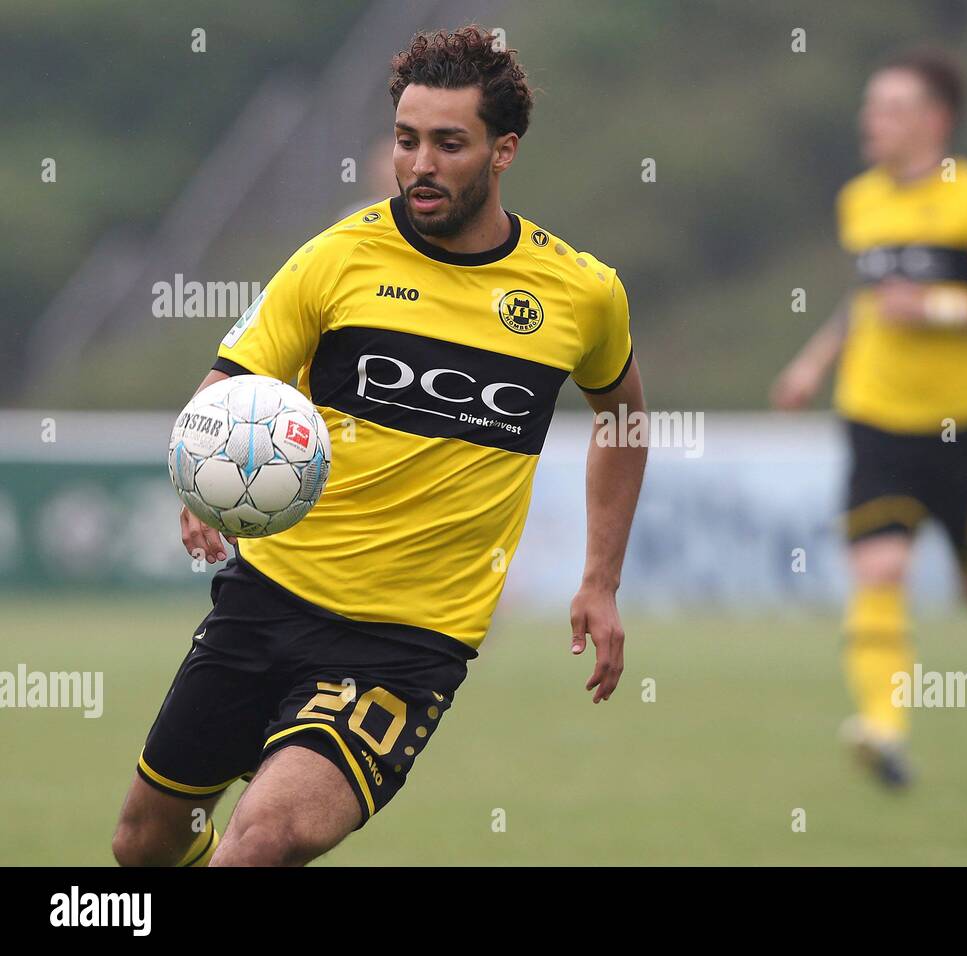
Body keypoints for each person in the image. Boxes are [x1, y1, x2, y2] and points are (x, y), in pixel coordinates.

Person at [113, 25, 647, 865]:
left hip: (407, 642)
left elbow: (623, 420)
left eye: (448, 143)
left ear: (504, 150)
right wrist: (199, 473)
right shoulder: (336, 260)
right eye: (406, 140)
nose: (421, 163)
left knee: (263, 839)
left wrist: (601, 579)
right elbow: (228, 385)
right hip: (269, 598)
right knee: (142, 847)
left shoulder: (580, 293)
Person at [771, 48, 967, 786]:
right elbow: (867, 300)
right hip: (878, 417)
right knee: (880, 564)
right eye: (870, 106)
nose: (872, 120)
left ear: (936, 120)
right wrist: (814, 362)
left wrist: (940, 307)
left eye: (890, 107)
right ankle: (882, 727)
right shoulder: (860, 199)